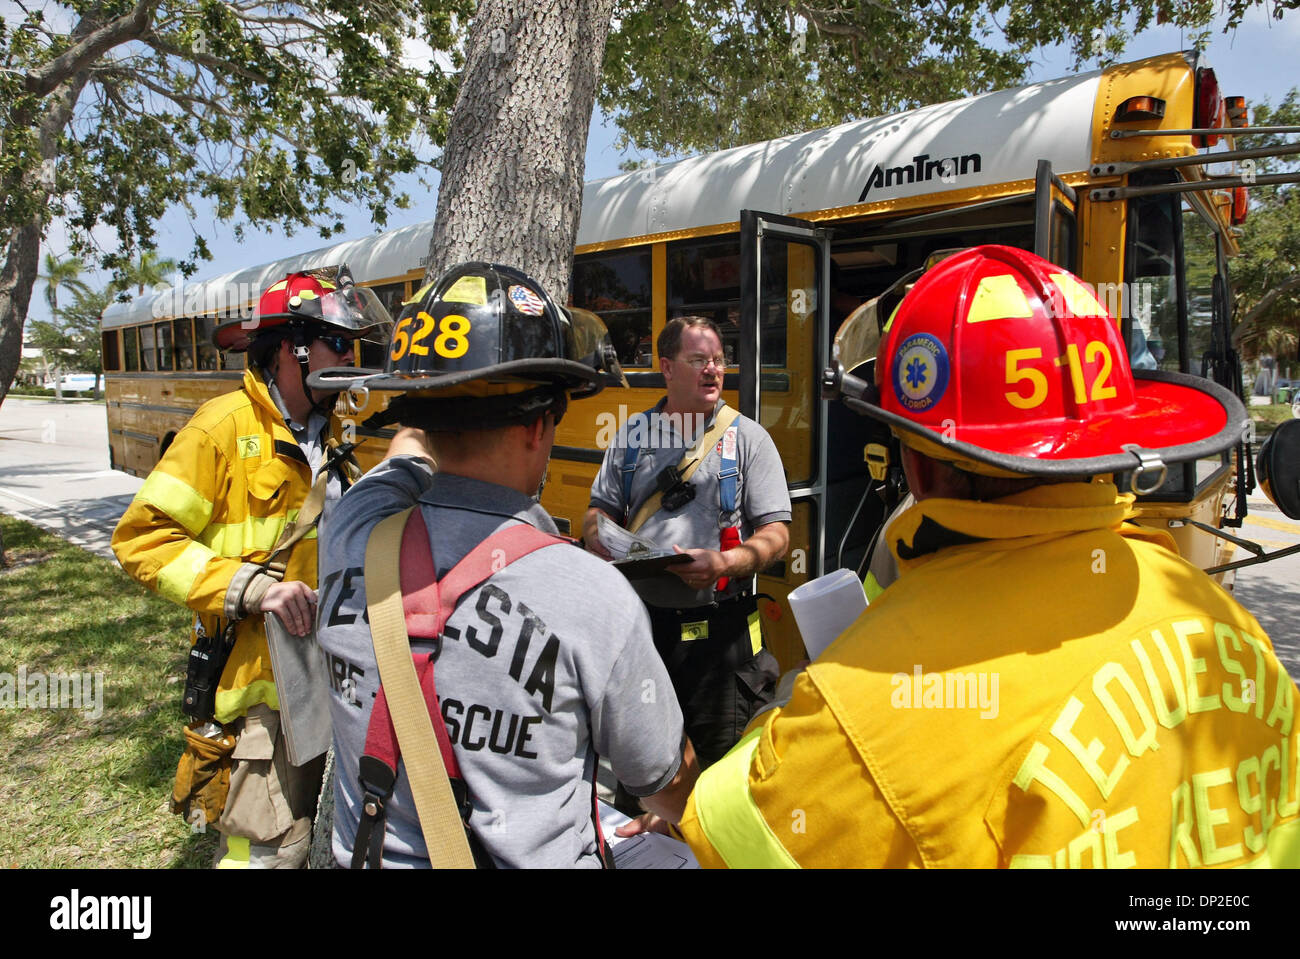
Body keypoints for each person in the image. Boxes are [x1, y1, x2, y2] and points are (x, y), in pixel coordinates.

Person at [679, 244, 1300, 868]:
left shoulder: (859, 717)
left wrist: (798, 700)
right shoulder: (1231, 628)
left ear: (916, 462)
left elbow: (723, 833)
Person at [309, 262, 697, 868]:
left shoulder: (351, 529)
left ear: (425, 413)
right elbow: (666, 784)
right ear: (539, 426)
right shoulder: (593, 596)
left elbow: (405, 455)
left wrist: (434, 390)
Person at [112, 267, 391, 869]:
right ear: (291, 348)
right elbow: (140, 539)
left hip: (324, 674)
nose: (351, 357)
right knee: (260, 848)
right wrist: (250, 588)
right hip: (259, 688)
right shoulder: (222, 428)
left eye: (353, 344)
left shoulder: (330, 435)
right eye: (337, 342)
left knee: (316, 831)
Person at [583, 316, 791, 769]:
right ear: (667, 368)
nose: (713, 369)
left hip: (722, 642)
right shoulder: (632, 436)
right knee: (645, 772)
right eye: (698, 360)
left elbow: (777, 535)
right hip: (642, 634)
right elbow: (599, 511)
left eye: (718, 360)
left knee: (722, 770)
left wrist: (724, 563)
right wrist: (597, 534)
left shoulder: (749, 439)